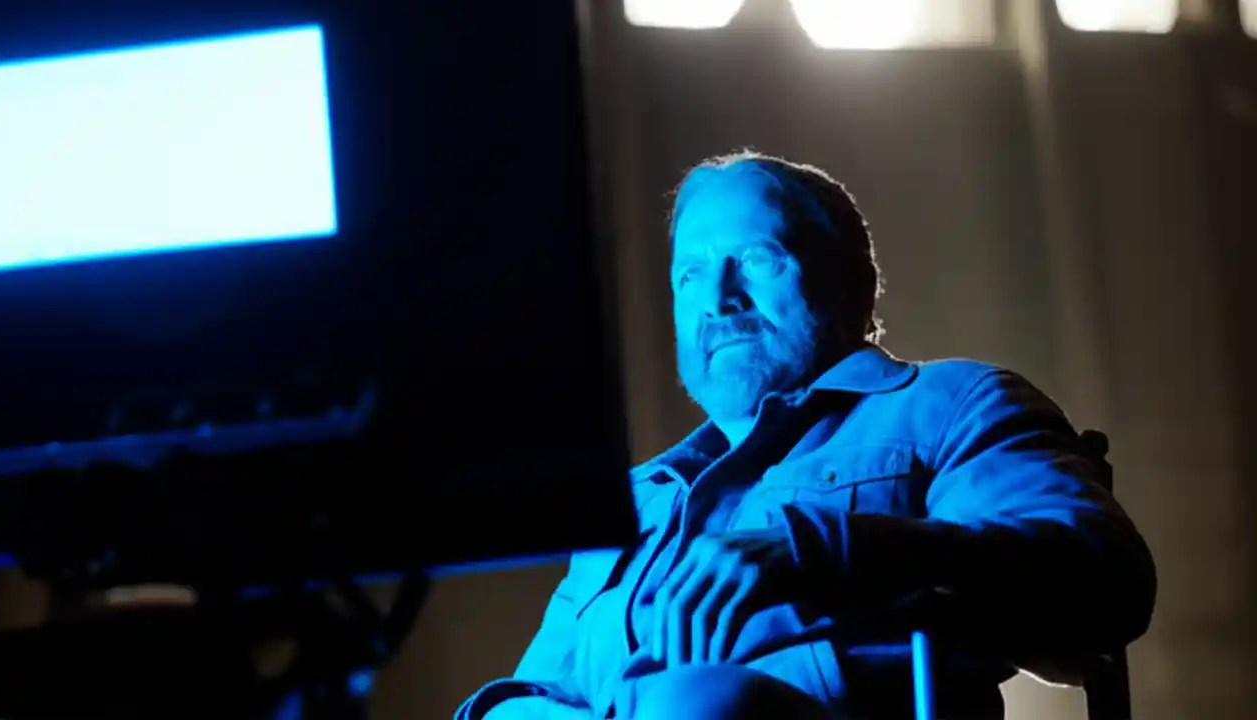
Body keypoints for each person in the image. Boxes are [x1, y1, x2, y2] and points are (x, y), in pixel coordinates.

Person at [455, 151, 1157, 719]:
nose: (718, 299)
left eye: (757, 260)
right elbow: (537, 688)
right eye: (691, 275)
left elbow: (1105, 585)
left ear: (850, 283)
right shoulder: (636, 499)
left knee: (697, 702)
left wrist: (822, 548)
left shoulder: (949, 404)